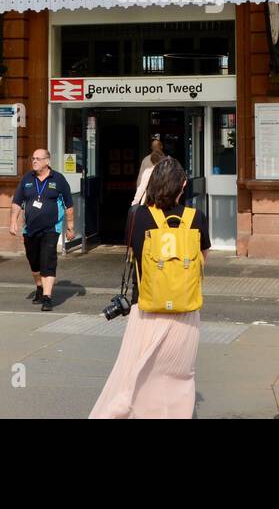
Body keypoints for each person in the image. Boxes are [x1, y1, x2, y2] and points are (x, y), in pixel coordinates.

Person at [90, 156, 210, 419]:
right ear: (183, 185)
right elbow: (202, 262)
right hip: (185, 313)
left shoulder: (137, 217)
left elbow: (132, 253)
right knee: (180, 378)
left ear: (151, 184)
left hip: (145, 308)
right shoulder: (196, 218)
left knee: (136, 377)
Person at [9, 149, 75, 311]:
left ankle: (47, 297)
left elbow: (69, 205)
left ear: (47, 161)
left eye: (38, 159)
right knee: (34, 262)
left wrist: (70, 227)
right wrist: (13, 222)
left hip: (51, 229)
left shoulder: (58, 179)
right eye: (33, 159)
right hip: (30, 229)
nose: (34, 161)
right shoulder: (27, 179)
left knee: (48, 260)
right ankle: (39, 287)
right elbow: (17, 202)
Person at [131, 138, 165, 207]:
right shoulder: (167, 161)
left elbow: (141, 183)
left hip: (149, 200)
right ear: (161, 147)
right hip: (164, 199)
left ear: (151, 148)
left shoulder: (146, 160)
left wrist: (135, 202)